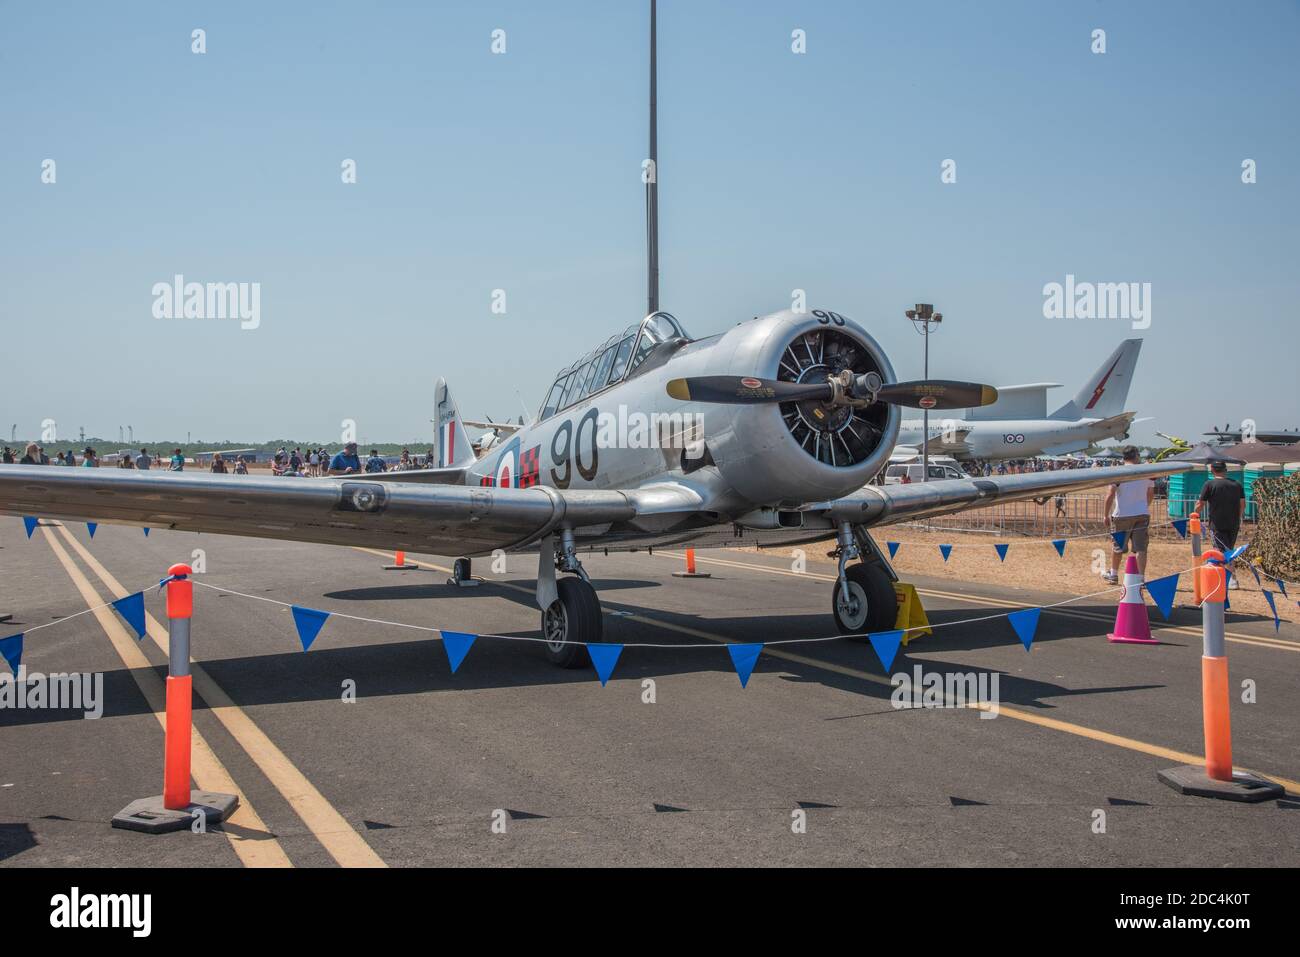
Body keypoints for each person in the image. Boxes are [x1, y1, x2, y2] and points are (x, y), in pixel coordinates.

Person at [1102, 446, 1154, 584]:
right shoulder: (1146, 472)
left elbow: (1110, 494)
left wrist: (1105, 515)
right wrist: (1143, 506)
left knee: (1118, 546)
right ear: (1136, 456)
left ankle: (1113, 574)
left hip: (1122, 514)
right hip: (1142, 513)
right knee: (1141, 548)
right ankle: (1140, 578)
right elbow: (1150, 494)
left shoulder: (1118, 472)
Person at [1194, 461, 1247, 588]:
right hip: (1233, 523)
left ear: (1212, 470)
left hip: (1217, 524)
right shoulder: (1237, 484)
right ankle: (1229, 578)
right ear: (1225, 470)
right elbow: (1243, 504)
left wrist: (1195, 514)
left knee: (1221, 552)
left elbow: (1200, 504)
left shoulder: (1209, 484)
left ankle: (1230, 579)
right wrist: (1238, 517)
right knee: (1229, 550)